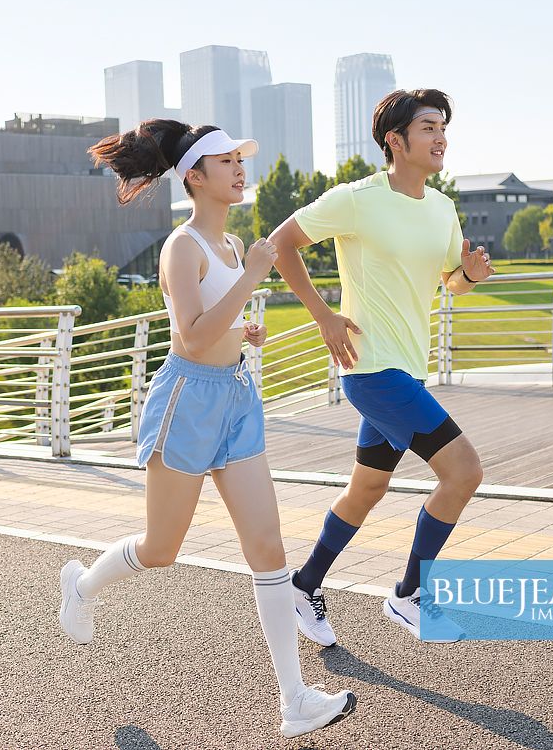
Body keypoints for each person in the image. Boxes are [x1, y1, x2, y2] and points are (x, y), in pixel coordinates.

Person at [57, 118, 355, 738]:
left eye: (240, 159)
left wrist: (242, 329)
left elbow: (214, 326)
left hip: (237, 398)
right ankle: (84, 585)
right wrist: (250, 282)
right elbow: (189, 339)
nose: (240, 169)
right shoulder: (183, 245)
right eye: (225, 161)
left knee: (269, 550)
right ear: (194, 175)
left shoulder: (231, 246)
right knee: (162, 549)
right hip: (188, 401)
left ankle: (294, 699)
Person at [269, 89, 494, 646]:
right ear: (395, 140)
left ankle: (303, 585)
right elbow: (281, 244)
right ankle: (409, 594)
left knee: (366, 490)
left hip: (408, 368)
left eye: (443, 126)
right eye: (427, 127)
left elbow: (448, 280)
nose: (440, 137)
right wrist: (324, 315)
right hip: (371, 368)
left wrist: (467, 275)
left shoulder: (441, 207)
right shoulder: (357, 199)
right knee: (464, 472)